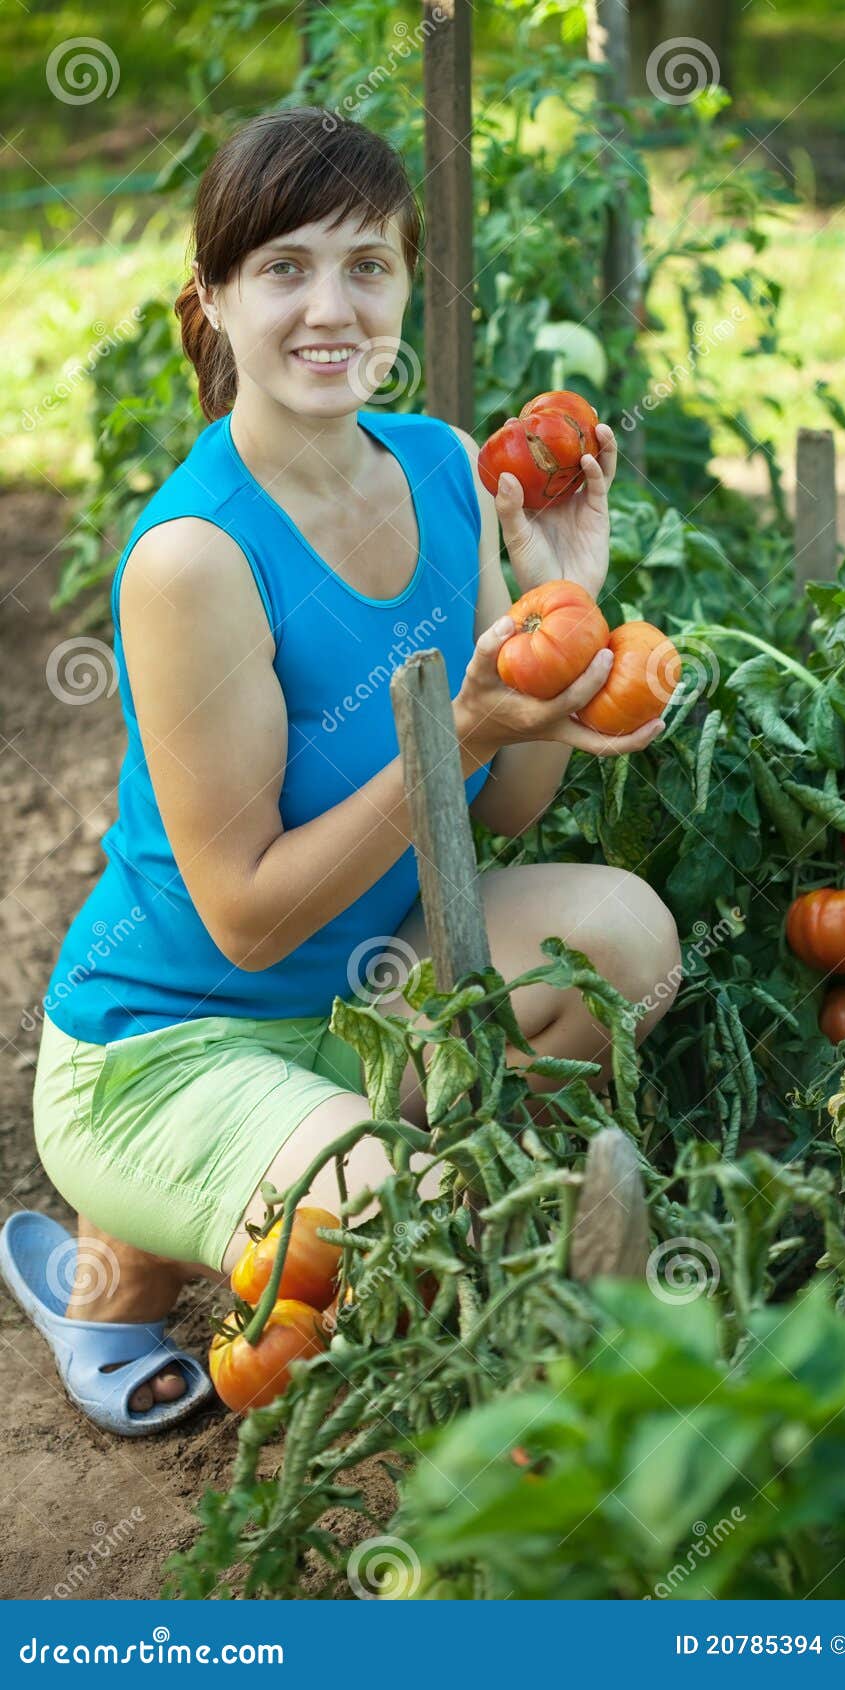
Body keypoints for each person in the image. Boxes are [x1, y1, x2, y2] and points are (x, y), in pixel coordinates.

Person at [1, 108, 681, 1436]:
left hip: (359, 999)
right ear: (212, 300)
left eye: (367, 263)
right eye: (285, 267)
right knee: (403, 1227)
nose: (333, 305)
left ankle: (214, 1215)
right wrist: (470, 727)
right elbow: (248, 917)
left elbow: (487, 821)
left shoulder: (436, 467)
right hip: (169, 1043)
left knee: (631, 940)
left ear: (406, 283)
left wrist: (560, 635)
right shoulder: (195, 556)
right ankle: (148, 1231)